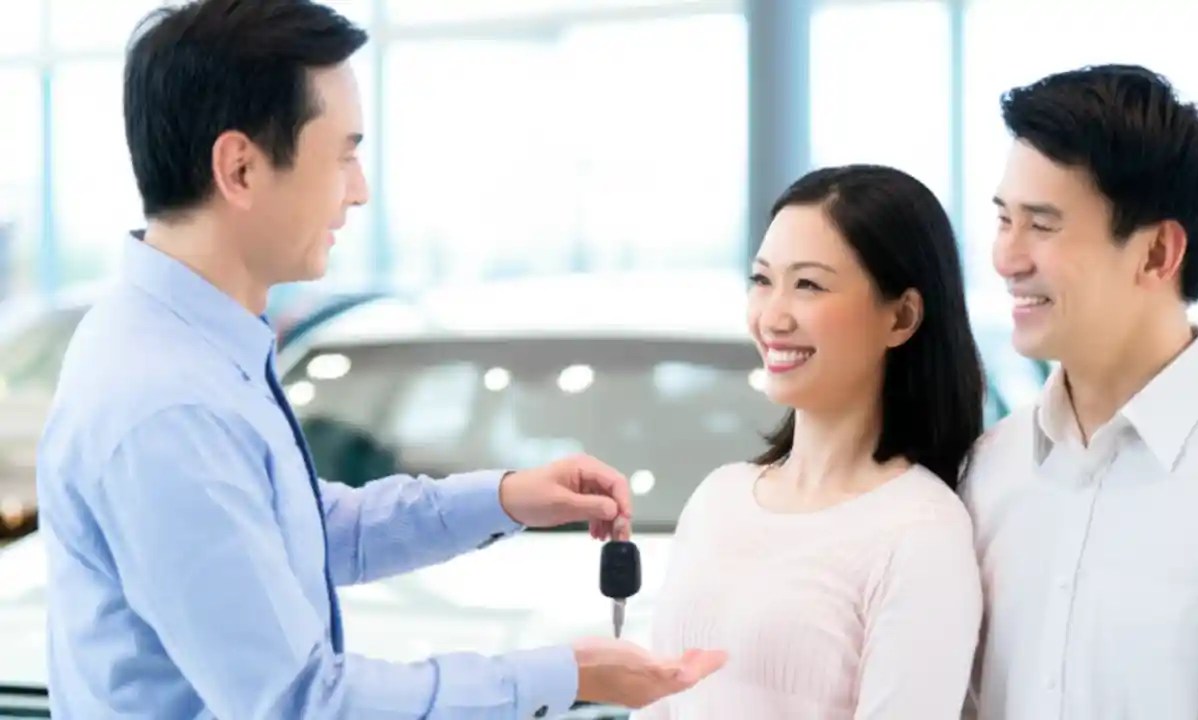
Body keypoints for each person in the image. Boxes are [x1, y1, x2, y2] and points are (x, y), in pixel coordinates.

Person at [34, 1, 724, 718]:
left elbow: (297, 530)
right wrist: (567, 674)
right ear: (239, 167)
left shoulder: (182, 342)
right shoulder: (168, 404)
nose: (358, 190)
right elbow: (304, 702)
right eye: (342, 154)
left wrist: (505, 497)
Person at [960, 64, 1198, 720]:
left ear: (1159, 253)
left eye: (1042, 225)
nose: (1006, 257)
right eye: (1003, 220)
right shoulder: (988, 471)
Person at [634, 164, 987, 719]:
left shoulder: (920, 532)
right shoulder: (719, 497)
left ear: (902, 316)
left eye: (808, 285)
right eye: (762, 280)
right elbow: (657, 706)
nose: (772, 316)